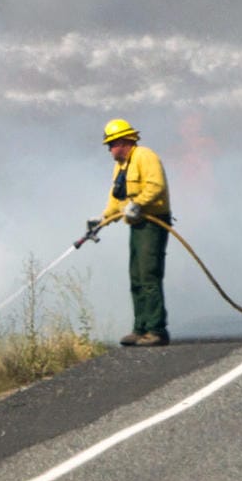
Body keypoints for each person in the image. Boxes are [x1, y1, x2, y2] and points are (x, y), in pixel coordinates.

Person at [87, 118, 172, 347]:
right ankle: (140, 328)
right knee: (136, 276)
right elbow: (117, 198)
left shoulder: (145, 156)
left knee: (149, 275)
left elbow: (156, 186)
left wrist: (139, 204)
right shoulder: (121, 165)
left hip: (153, 223)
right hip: (137, 224)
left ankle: (156, 330)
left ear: (124, 141)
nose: (110, 149)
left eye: (112, 144)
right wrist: (102, 220)